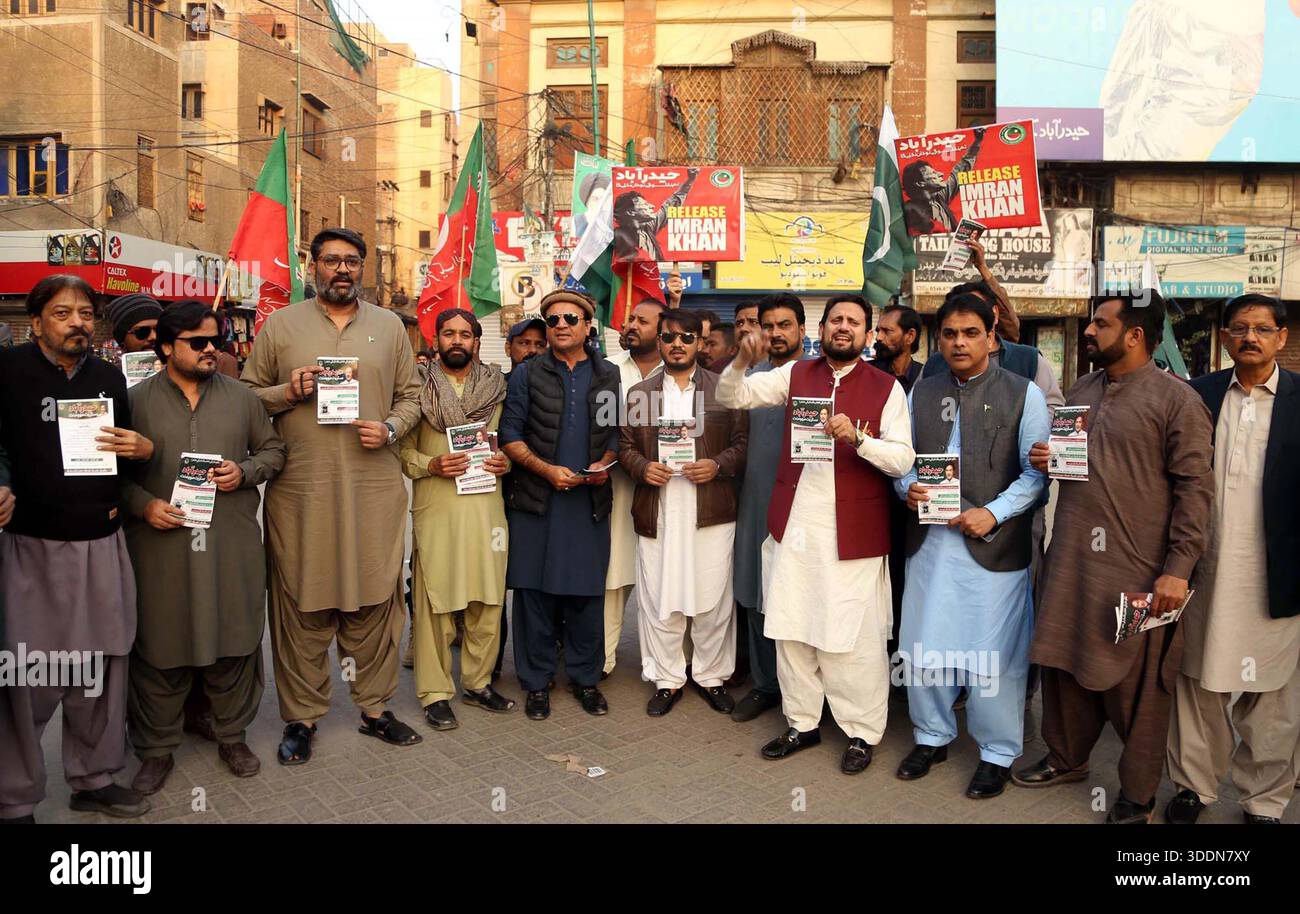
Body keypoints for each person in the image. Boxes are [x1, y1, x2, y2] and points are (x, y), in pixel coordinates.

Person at [1014, 290, 1214, 824]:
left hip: (1137, 571)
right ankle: (1067, 759)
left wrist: (1177, 569)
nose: (1088, 332)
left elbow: (1196, 491)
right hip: (1073, 561)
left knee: (1138, 691)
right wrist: (1049, 457)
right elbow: (1079, 462)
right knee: (1062, 666)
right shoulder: (1083, 389)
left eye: (1100, 324)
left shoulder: (1177, 401)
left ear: (1135, 335)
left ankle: (1137, 797)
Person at [241, 227, 425, 766]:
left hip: (373, 489)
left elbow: (412, 396)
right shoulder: (279, 326)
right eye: (330, 261)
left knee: (374, 600)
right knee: (302, 601)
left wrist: (390, 429)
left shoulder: (390, 327)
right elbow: (248, 399)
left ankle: (374, 710)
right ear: (312, 267)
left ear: (362, 268)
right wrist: (287, 391)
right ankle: (300, 719)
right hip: (302, 491)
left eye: (351, 261)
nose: (341, 270)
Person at [718, 295, 914, 774]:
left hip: (855, 533)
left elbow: (903, 460)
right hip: (795, 527)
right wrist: (743, 360)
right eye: (836, 320)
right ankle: (802, 723)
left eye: (854, 322)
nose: (843, 327)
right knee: (793, 631)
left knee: (856, 640)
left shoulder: (887, 387)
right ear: (821, 329)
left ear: (868, 335)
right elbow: (732, 396)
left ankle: (860, 733)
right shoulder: (795, 374)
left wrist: (859, 439)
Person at [0, 275, 156, 822]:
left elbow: (128, 455)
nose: (77, 323)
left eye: (86, 313)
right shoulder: (9, 372)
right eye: (63, 313)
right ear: (37, 320)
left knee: (101, 664)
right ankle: (15, 796)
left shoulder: (110, 379)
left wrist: (142, 448)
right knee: (29, 672)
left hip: (103, 541)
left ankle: (94, 777)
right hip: (33, 546)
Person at [121, 301, 285, 793]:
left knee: (234, 636)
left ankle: (231, 734)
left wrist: (246, 471)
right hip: (159, 546)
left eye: (216, 340)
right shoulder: (133, 401)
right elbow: (109, 476)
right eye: (198, 342)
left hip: (229, 541)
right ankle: (155, 749)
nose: (212, 349)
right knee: (159, 642)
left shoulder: (242, 398)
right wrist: (144, 505)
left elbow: (274, 450)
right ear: (167, 347)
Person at [893, 292, 1050, 799]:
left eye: (970, 333)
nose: (959, 343)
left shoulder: (1024, 393)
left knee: (993, 654)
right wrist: (907, 486)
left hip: (995, 546)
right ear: (939, 339)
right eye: (950, 334)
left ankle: (996, 751)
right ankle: (932, 736)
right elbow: (904, 457)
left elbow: (1036, 474)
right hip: (930, 543)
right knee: (924, 645)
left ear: (992, 336)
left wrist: (993, 513)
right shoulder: (922, 389)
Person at [1166, 294, 1300, 825]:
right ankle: (1193, 788)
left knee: (1274, 696)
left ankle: (1264, 801)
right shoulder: (1196, 396)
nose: (1251, 337)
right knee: (1199, 683)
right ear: (1223, 336)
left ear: (1281, 338)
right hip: (1206, 568)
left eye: (1262, 329)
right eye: (1240, 328)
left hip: (1278, 570)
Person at [620, 309, 748, 716]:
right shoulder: (640, 393)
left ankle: (711, 676)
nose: (678, 344)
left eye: (686, 337)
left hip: (710, 509)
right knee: (660, 598)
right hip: (658, 510)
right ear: (659, 342)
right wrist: (643, 467)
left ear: (699, 342)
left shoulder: (724, 390)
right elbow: (624, 446)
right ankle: (667, 679)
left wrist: (718, 465)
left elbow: (744, 445)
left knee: (713, 599)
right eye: (670, 337)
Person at [499, 290, 620, 721]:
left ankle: (586, 681)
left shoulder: (608, 375)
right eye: (552, 321)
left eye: (570, 318)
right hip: (536, 502)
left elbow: (613, 436)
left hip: (587, 502)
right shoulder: (526, 375)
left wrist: (604, 464)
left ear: (588, 326)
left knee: (585, 594)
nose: (561, 325)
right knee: (533, 594)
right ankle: (536, 683)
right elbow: (509, 435)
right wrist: (546, 470)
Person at [400, 308, 514, 732]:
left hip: (487, 507)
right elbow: (401, 451)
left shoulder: (495, 387)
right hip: (438, 508)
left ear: (476, 342)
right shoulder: (417, 388)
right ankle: (434, 693)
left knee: (488, 598)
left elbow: (509, 441)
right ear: (436, 340)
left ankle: (478, 682)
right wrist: (431, 464)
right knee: (436, 601)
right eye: (449, 333)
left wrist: (506, 462)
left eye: (465, 334)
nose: (457, 341)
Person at [731, 294, 808, 721]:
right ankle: (765, 686)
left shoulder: (822, 377)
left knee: (802, 595)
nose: (776, 333)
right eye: (768, 326)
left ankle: (807, 692)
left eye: (785, 325)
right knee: (756, 592)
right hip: (756, 502)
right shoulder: (750, 380)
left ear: (802, 329)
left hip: (807, 509)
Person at [603, 298, 666, 677]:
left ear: (662, 330)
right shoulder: (608, 369)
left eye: (641, 321)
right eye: (629, 319)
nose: (631, 325)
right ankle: (604, 658)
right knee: (614, 575)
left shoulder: (682, 370)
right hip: (617, 485)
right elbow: (603, 424)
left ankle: (666, 664)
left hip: (667, 487)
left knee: (664, 579)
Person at [901, 126, 985, 235]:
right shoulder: (910, 210)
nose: (940, 174)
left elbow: (960, 171)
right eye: (933, 173)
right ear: (920, 183)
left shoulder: (939, 198)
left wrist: (977, 141)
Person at [612, 168, 698, 262]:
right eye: (645, 205)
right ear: (631, 212)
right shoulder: (618, 236)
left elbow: (670, 206)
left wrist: (690, 180)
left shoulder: (647, 228)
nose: (652, 206)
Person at [869, 303, 924, 393]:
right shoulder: (867, 373)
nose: (878, 337)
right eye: (878, 331)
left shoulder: (924, 377)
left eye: (887, 331)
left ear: (910, 336)